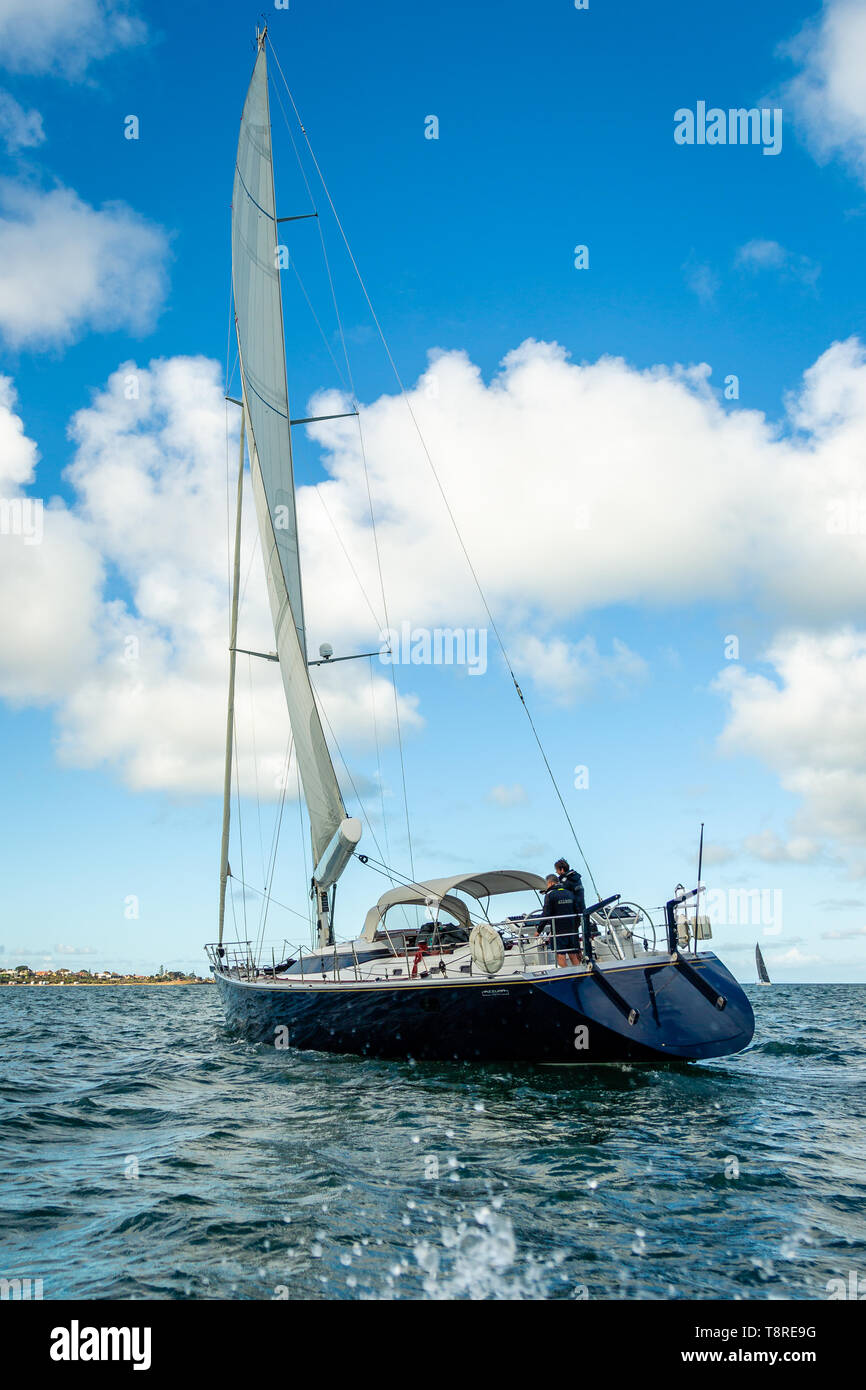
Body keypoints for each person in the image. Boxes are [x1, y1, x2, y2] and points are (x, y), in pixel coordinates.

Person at [542, 866, 583, 967]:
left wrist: (538, 930)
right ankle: (580, 976)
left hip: (559, 930)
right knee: (573, 954)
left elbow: (546, 914)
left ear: (550, 883)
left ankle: (566, 976)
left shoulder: (550, 895)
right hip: (572, 928)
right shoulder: (569, 893)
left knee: (560, 955)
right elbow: (577, 909)